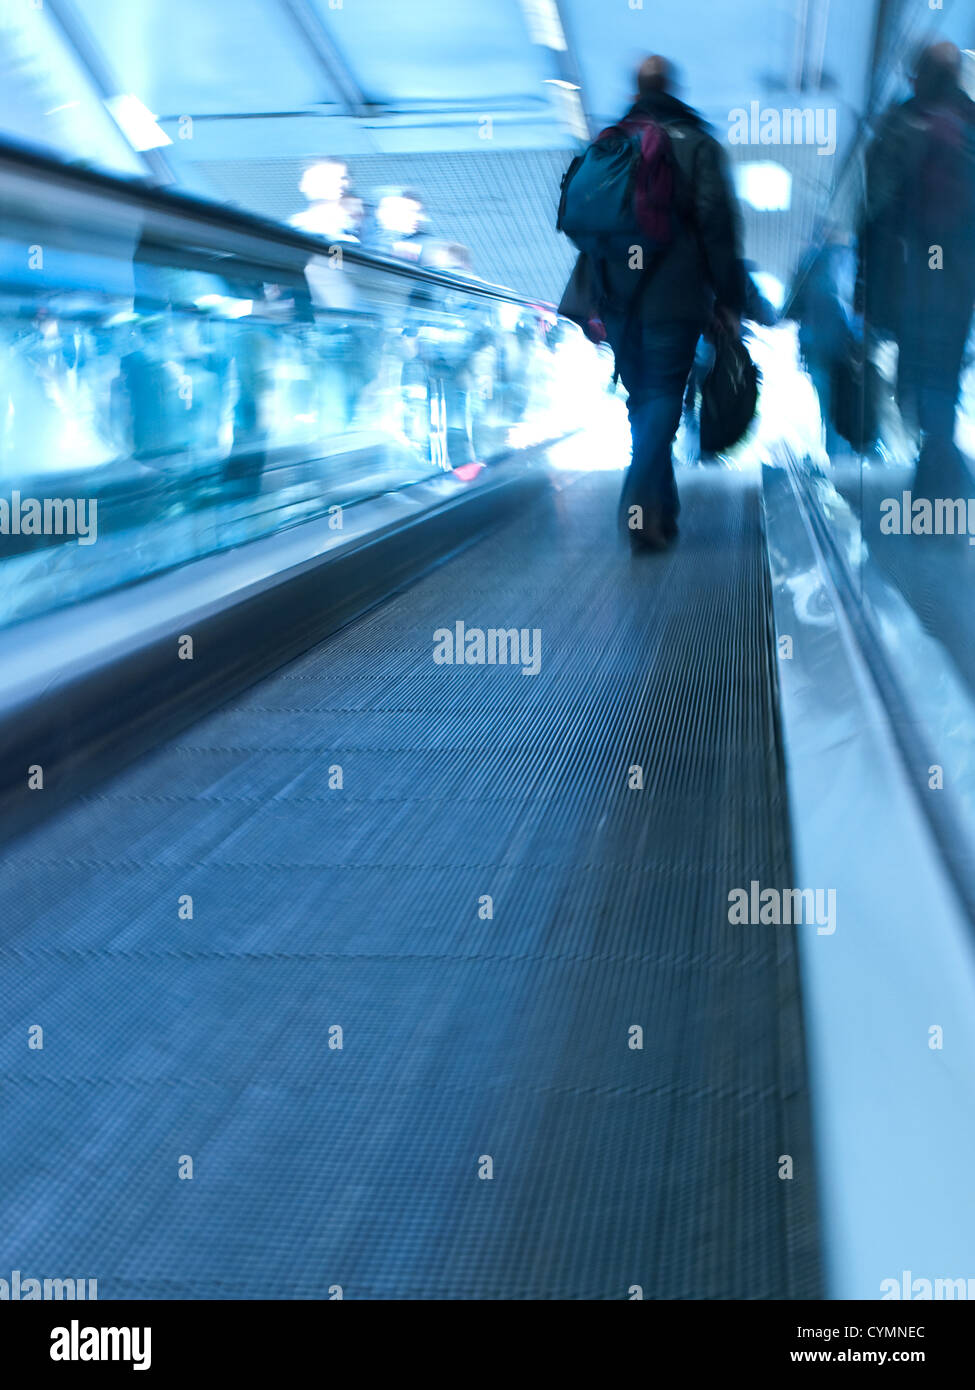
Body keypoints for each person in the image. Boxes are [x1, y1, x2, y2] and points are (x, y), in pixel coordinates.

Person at [589, 55, 745, 550]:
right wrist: (729, 299)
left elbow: (587, 225)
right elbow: (717, 226)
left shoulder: (608, 144)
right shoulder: (698, 143)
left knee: (644, 402)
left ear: (635, 90)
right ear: (672, 87)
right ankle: (638, 501)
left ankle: (661, 511)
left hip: (617, 295)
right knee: (662, 400)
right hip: (675, 295)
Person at [856, 42, 975, 492]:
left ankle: (940, 464)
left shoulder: (897, 126)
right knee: (943, 368)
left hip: (911, 274)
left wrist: (864, 285)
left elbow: (874, 211)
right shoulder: (972, 125)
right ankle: (939, 465)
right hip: (962, 277)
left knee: (919, 372)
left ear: (916, 77)